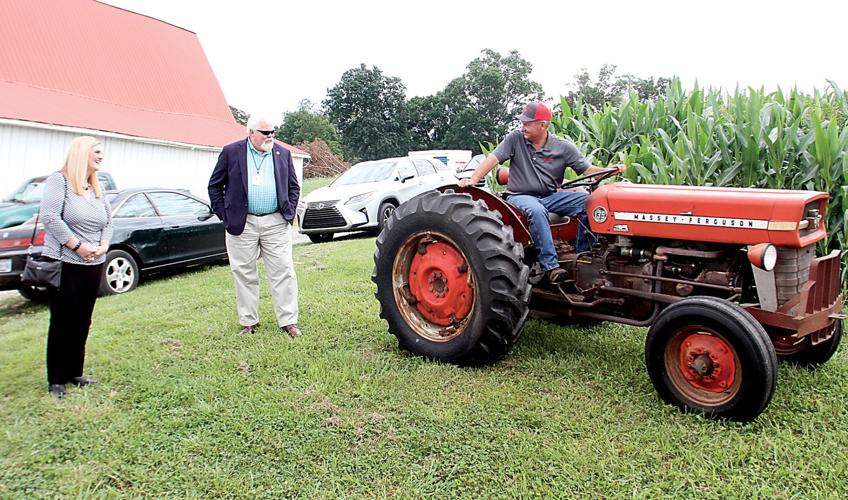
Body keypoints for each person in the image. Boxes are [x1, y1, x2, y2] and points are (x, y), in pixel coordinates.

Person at [458, 101, 624, 283]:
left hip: (551, 196)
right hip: (520, 196)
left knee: (591, 203)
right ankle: (550, 266)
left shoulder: (563, 147)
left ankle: (584, 256)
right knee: (536, 210)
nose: (523, 127)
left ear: (542, 125)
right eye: (522, 123)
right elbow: (493, 159)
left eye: (527, 123)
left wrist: (610, 169)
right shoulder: (515, 139)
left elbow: (589, 171)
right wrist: (473, 179)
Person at [208, 115, 302, 337]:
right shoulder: (232, 152)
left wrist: (287, 212)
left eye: (272, 132)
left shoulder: (282, 154)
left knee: (284, 270)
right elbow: (214, 186)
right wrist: (226, 215)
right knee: (244, 272)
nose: (270, 136)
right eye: (265, 133)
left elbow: (293, 187)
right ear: (251, 133)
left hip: (276, 221)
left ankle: (288, 321)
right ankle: (249, 322)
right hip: (243, 223)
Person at [40, 136, 113, 398]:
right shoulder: (59, 181)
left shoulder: (97, 186)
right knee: (62, 319)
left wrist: (103, 245)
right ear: (82, 153)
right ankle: (56, 378)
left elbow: (108, 222)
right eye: (97, 152)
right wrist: (77, 245)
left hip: (94, 262)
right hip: (66, 261)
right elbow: (50, 217)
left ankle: (75, 371)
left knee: (83, 318)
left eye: (102, 152)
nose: (101, 156)